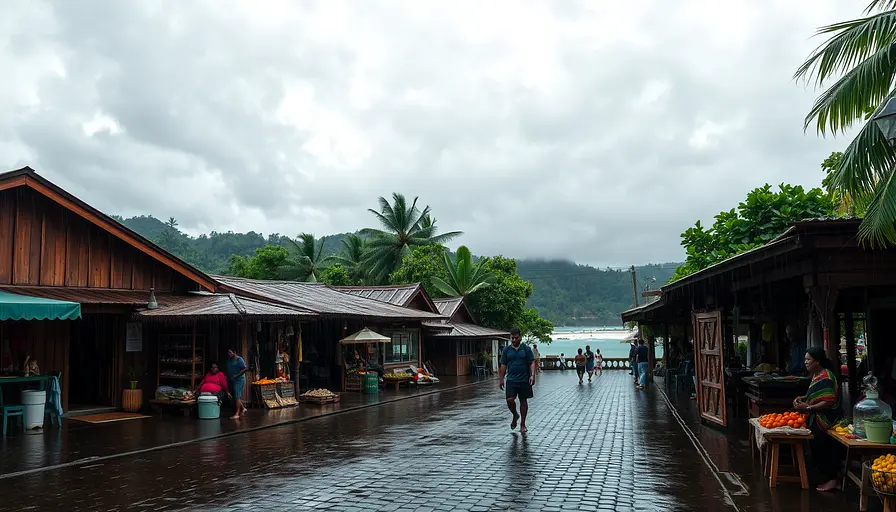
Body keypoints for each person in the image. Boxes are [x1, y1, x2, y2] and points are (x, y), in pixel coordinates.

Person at [793, 346, 844, 492]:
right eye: (805, 359)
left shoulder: (826, 377)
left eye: (808, 359)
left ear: (817, 361)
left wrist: (808, 408)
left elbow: (828, 401)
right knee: (819, 448)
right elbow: (815, 394)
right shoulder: (816, 375)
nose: (805, 362)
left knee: (824, 449)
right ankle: (833, 479)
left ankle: (832, 480)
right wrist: (803, 398)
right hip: (818, 417)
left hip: (827, 420)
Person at [499, 328, 535, 433]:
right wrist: (501, 379)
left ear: (520, 337)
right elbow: (503, 364)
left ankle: (523, 424)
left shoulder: (526, 349)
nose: (514, 340)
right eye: (512, 338)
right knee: (509, 399)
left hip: (524, 379)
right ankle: (515, 414)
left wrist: (532, 375)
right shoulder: (506, 350)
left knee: (523, 400)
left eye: (516, 338)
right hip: (511, 379)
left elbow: (532, 362)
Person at [226, 349, 248, 419]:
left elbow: (245, 368)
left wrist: (237, 375)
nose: (229, 354)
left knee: (237, 396)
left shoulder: (239, 359)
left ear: (234, 352)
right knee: (236, 395)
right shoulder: (229, 360)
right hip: (232, 379)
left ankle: (237, 413)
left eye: (230, 352)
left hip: (239, 379)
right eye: (228, 352)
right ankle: (243, 408)